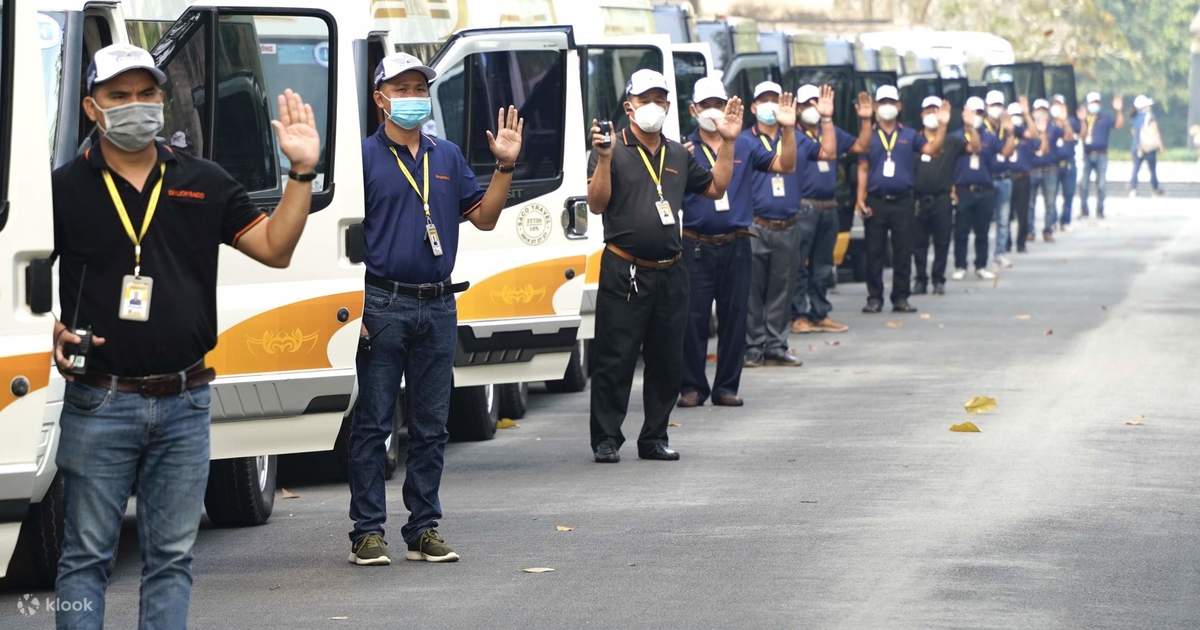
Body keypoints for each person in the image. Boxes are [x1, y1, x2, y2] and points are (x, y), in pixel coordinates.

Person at [51, 44, 319, 627]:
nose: (136, 107)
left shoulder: (203, 180)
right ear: (91, 108)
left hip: (185, 400)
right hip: (99, 399)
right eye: (119, 97)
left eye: (147, 94)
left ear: (163, 99)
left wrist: (301, 172)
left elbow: (275, 248)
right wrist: (44, 324)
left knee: (171, 559)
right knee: (83, 559)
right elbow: (18, 274)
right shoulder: (62, 188)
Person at [349, 52, 523, 566]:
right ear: (381, 99)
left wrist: (506, 165)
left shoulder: (444, 156)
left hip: (439, 302)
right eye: (401, 90)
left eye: (419, 88)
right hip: (382, 301)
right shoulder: (362, 157)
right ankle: (367, 532)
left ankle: (423, 526)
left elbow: (486, 218)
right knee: (374, 423)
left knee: (431, 424)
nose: (413, 98)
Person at [587, 69, 738, 463]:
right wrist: (602, 161)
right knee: (614, 357)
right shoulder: (611, 148)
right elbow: (597, 203)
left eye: (660, 98)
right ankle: (606, 438)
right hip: (626, 269)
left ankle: (654, 436)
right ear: (629, 106)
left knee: (667, 358)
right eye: (645, 99)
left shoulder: (678, 153)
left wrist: (728, 142)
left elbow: (717, 187)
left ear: (669, 106)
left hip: (671, 269)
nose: (653, 106)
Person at [678, 77, 794, 408]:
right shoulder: (682, 149)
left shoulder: (745, 145)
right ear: (693, 110)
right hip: (695, 243)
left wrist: (787, 130)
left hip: (737, 242)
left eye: (719, 104)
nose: (713, 111)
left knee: (735, 318)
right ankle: (692, 386)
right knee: (693, 319)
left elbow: (786, 165)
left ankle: (727, 386)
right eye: (706, 105)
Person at [855, 85, 948, 314]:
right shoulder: (870, 136)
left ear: (899, 106)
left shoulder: (909, 135)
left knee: (902, 251)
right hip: (876, 200)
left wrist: (943, 125)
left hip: (903, 201)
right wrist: (860, 198)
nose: (887, 106)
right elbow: (863, 167)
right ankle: (874, 298)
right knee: (874, 252)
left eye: (891, 102)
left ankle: (901, 297)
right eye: (882, 102)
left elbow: (932, 150)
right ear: (876, 107)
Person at [790, 85, 872, 334]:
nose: (814, 108)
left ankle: (819, 312)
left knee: (823, 265)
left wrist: (866, 120)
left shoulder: (830, 132)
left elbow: (860, 147)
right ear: (798, 108)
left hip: (829, 206)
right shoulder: (792, 134)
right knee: (799, 264)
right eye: (808, 104)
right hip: (804, 206)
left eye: (817, 102)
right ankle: (799, 315)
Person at [742, 81, 802, 368]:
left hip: (787, 225)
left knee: (783, 288)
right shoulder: (743, 141)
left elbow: (820, 153)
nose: (769, 105)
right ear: (753, 107)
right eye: (763, 100)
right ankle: (753, 347)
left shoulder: (794, 137)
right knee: (752, 290)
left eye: (774, 99)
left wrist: (790, 128)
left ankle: (776, 345)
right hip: (756, 224)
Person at [912, 95, 970, 292]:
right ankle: (920, 279)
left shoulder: (952, 141)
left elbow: (974, 148)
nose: (931, 115)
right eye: (928, 111)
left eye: (935, 110)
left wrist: (969, 126)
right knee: (918, 243)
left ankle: (938, 279)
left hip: (942, 198)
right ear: (921, 114)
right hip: (918, 198)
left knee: (942, 241)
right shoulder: (913, 139)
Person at [949, 97, 1002, 283]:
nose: (976, 116)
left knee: (983, 231)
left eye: (980, 113)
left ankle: (981, 265)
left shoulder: (990, 137)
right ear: (964, 113)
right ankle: (960, 265)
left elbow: (980, 148)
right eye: (973, 112)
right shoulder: (955, 137)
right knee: (961, 231)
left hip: (985, 188)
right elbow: (967, 149)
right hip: (963, 189)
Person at [1078, 92, 1124, 219]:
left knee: (1101, 184)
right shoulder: (1084, 118)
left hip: (1101, 154)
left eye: (1096, 102)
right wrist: (1082, 121)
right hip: (1087, 154)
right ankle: (1084, 209)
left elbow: (1119, 124)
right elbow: (1081, 136)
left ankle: (1100, 209)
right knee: (1084, 184)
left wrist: (1119, 111)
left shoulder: (1105, 117)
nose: (1094, 105)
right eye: (1092, 103)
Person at [984, 90, 1016, 270]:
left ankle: (1000, 253)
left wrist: (1010, 132)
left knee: (1003, 220)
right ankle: (982, 256)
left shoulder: (1008, 127)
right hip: (987, 179)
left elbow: (1008, 152)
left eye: (999, 105)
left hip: (1004, 178)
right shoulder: (982, 128)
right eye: (993, 105)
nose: (996, 109)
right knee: (984, 220)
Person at [1027, 99, 1064, 243]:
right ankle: (1029, 231)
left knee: (1050, 202)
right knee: (1030, 203)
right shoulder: (1029, 128)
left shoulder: (1053, 128)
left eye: (1044, 110)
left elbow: (1066, 135)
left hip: (1050, 169)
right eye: (1038, 110)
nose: (1041, 113)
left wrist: (1062, 118)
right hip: (1033, 168)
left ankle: (1048, 230)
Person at [1006, 100, 1039, 253]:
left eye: (1018, 115)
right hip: (1007, 177)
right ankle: (1005, 242)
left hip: (1023, 178)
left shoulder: (1025, 135)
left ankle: (1021, 243)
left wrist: (1026, 114)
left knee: (1023, 213)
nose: (1016, 118)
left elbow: (1034, 133)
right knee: (1006, 213)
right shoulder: (1003, 134)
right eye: (1014, 115)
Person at [1052, 94, 1081, 231]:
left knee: (1068, 194)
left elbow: (1070, 137)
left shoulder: (1072, 121)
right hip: (1053, 164)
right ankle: (1052, 220)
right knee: (1051, 195)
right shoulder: (1048, 123)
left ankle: (1065, 221)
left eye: (1060, 105)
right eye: (1055, 105)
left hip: (1068, 163)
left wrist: (1064, 121)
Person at [1129, 94, 1164, 197]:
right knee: (1152, 169)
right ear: (1145, 106)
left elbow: (1133, 132)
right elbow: (1155, 131)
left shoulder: (1134, 117)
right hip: (1149, 147)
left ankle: (1133, 189)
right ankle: (1155, 189)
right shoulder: (1150, 116)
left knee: (1135, 168)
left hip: (1136, 147)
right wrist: (1160, 145)